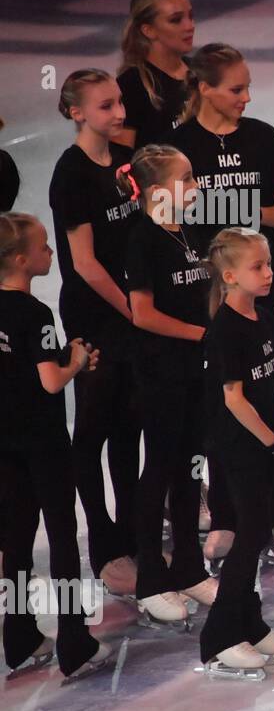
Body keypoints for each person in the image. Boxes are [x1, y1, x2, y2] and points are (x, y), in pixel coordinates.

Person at [168, 42, 274, 563]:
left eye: (248, 86)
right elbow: (170, 213)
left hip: (262, 285)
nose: (246, 97)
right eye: (236, 88)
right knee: (223, 403)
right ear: (204, 88)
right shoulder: (179, 146)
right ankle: (227, 514)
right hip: (207, 293)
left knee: (267, 386)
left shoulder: (262, 137)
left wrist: (223, 205)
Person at [0, 212, 114, 679]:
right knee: (64, 538)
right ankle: (73, 639)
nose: (51, 252)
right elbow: (50, 382)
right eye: (45, 246)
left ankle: (19, 633)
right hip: (44, 443)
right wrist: (77, 360)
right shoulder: (35, 313)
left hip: (5, 443)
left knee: (16, 540)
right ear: (23, 260)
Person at [48, 69, 141, 596]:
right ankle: (103, 548)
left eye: (120, 102)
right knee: (94, 431)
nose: (119, 112)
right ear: (76, 112)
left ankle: (131, 536)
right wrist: (132, 309)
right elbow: (83, 263)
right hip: (96, 313)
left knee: (130, 426)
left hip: (128, 310)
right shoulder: (72, 173)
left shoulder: (123, 163)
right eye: (105, 106)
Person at [121, 145, 217, 626]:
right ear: (160, 192)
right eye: (189, 178)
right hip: (160, 373)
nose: (197, 184)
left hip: (196, 371)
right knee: (159, 468)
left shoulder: (192, 231)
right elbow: (143, 314)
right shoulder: (142, 239)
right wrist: (204, 334)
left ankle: (188, 566)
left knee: (189, 469)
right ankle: (150, 580)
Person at [201, 227, 274, 678]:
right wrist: (269, 440)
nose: (268, 273)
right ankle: (220, 636)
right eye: (257, 267)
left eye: (270, 264)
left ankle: (251, 622)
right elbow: (234, 398)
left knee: (258, 533)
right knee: (250, 534)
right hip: (240, 444)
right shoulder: (225, 330)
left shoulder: (265, 315)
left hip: (264, 440)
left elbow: (269, 380)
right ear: (229, 276)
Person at [114, 0, 194, 149]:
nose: (189, 26)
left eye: (190, 17)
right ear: (148, 30)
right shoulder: (130, 86)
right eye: (176, 20)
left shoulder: (203, 72)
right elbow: (121, 159)